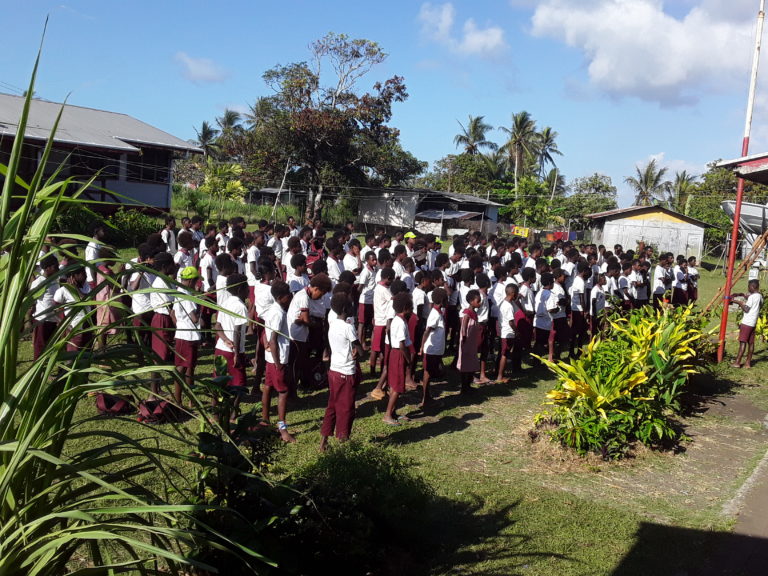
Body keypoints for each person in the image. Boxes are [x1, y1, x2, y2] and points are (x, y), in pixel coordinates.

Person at [320, 292, 363, 449]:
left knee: (332, 405)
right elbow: (361, 350)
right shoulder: (348, 327)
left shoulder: (333, 325)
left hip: (334, 370)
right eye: (351, 305)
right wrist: (357, 350)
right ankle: (343, 442)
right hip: (346, 372)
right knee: (346, 408)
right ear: (345, 308)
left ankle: (324, 441)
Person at [261, 280, 296, 442]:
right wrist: (278, 364)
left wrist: (265, 344)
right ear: (281, 297)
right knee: (283, 392)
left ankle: (265, 420)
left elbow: (265, 333)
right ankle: (282, 430)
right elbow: (273, 340)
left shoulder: (273, 310)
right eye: (288, 295)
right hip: (277, 359)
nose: (290, 297)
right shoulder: (278, 313)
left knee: (268, 387)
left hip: (271, 359)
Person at [214, 273, 250, 417]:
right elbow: (237, 331)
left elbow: (217, 326)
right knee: (240, 384)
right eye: (247, 286)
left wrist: (223, 339)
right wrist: (236, 352)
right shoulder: (241, 307)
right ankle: (233, 414)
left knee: (218, 382)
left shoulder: (226, 303)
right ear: (241, 289)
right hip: (233, 352)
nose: (249, 290)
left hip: (221, 348)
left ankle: (215, 414)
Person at [173, 266, 202, 406]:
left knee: (189, 367)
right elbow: (194, 318)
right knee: (183, 368)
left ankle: (191, 399)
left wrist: (179, 326)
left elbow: (173, 314)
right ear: (191, 281)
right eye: (196, 281)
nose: (197, 284)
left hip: (184, 333)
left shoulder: (179, 291)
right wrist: (201, 303)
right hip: (188, 335)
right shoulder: (187, 295)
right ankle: (178, 400)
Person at [149, 252, 177, 397]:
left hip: (166, 319)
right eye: (172, 264)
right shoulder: (160, 282)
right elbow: (169, 306)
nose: (175, 266)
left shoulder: (168, 280)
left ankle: (157, 388)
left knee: (163, 355)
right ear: (165, 266)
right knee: (158, 357)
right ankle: (153, 392)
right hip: (162, 319)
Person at [384, 292, 413, 425]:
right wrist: (408, 359)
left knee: (395, 385)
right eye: (411, 306)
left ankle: (393, 412)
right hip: (398, 354)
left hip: (395, 353)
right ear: (406, 307)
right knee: (396, 387)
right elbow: (401, 344)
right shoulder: (400, 322)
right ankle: (387, 415)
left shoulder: (399, 320)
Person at [53, 266, 92, 353]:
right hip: (74, 327)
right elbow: (55, 309)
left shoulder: (87, 287)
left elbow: (87, 300)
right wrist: (64, 324)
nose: (86, 276)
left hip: (87, 325)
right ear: (74, 276)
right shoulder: (63, 291)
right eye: (83, 274)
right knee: (73, 351)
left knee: (86, 351)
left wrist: (76, 289)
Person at [29, 254, 60, 359]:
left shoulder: (55, 280)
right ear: (47, 268)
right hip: (42, 320)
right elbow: (31, 299)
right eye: (55, 267)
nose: (58, 269)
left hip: (54, 319)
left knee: (51, 345)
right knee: (40, 346)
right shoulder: (39, 282)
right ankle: (38, 372)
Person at [419, 287, 447, 407]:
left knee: (431, 372)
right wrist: (422, 347)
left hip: (437, 349)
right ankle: (425, 399)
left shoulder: (439, 312)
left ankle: (427, 396)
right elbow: (427, 331)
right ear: (442, 300)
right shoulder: (434, 314)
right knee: (428, 373)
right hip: (431, 349)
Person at [732, 280, 763, 369]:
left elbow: (746, 309)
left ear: (752, 287)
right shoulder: (760, 296)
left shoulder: (752, 297)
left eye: (748, 286)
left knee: (742, 342)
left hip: (746, 323)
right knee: (751, 343)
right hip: (753, 322)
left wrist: (739, 302)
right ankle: (748, 363)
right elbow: (759, 305)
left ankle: (737, 362)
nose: (748, 288)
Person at [457, 289, 482, 393]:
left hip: (472, 341)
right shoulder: (467, 313)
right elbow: (464, 325)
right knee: (465, 363)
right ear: (471, 301)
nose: (480, 303)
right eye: (478, 301)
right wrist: (464, 336)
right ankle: (464, 386)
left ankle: (468, 384)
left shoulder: (474, 313)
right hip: (467, 341)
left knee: (471, 362)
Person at [496, 283, 518, 383]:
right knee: (504, 354)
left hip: (503, 331)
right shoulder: (508, 306)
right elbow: (511, 322)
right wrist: (516, 331)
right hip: (508, 333)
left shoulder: (503, 303)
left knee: (503, 353)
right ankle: (500, 376)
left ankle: (500, 374)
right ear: (513, 294)